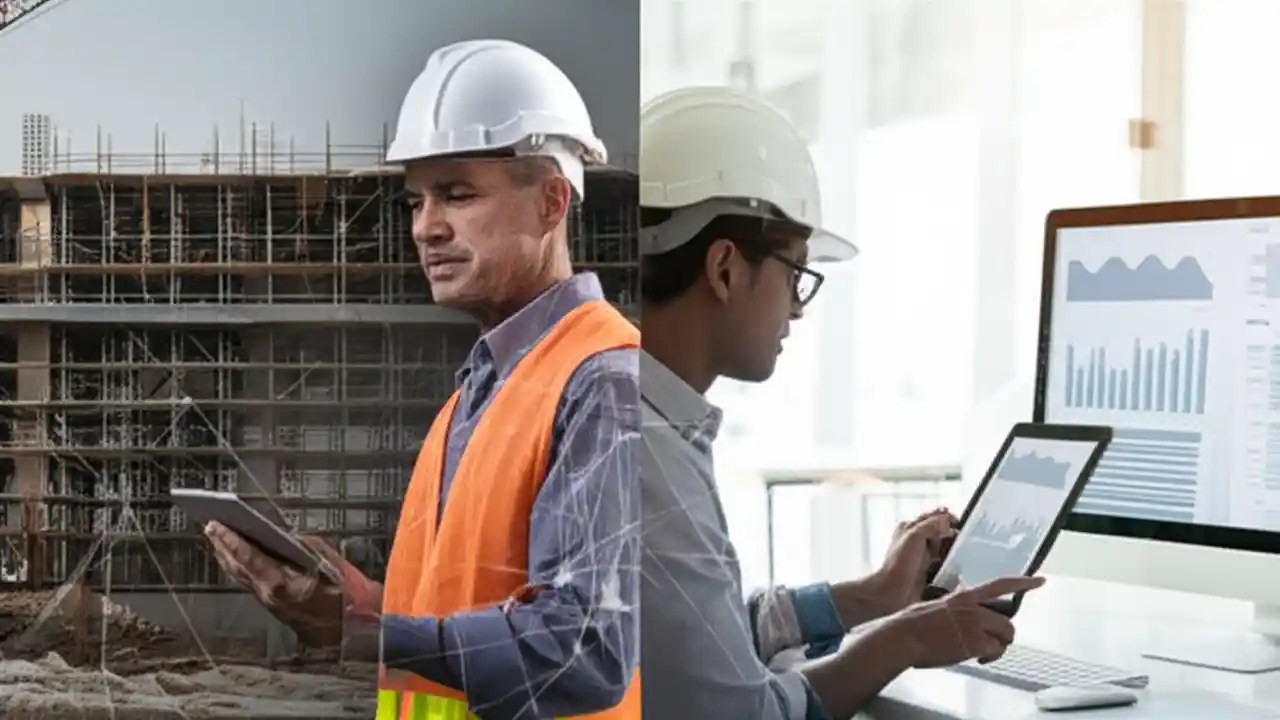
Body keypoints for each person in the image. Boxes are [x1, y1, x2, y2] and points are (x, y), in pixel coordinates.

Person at [203, 39, 642, 720]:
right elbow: (457, 611)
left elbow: (587, 649)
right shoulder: (474, 397)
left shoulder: (605, 381)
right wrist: (367, 603)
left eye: (458, 195)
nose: (425, 228)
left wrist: (358, 633)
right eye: (416, 201)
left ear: (552, 202)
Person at [637, 85, 1045, 720]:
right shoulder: (646, 461)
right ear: (724, 269)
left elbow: (701, 646)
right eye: (796, 272)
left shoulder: (644, 419)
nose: (797, 307)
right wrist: (905, 637)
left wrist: (874, 596)